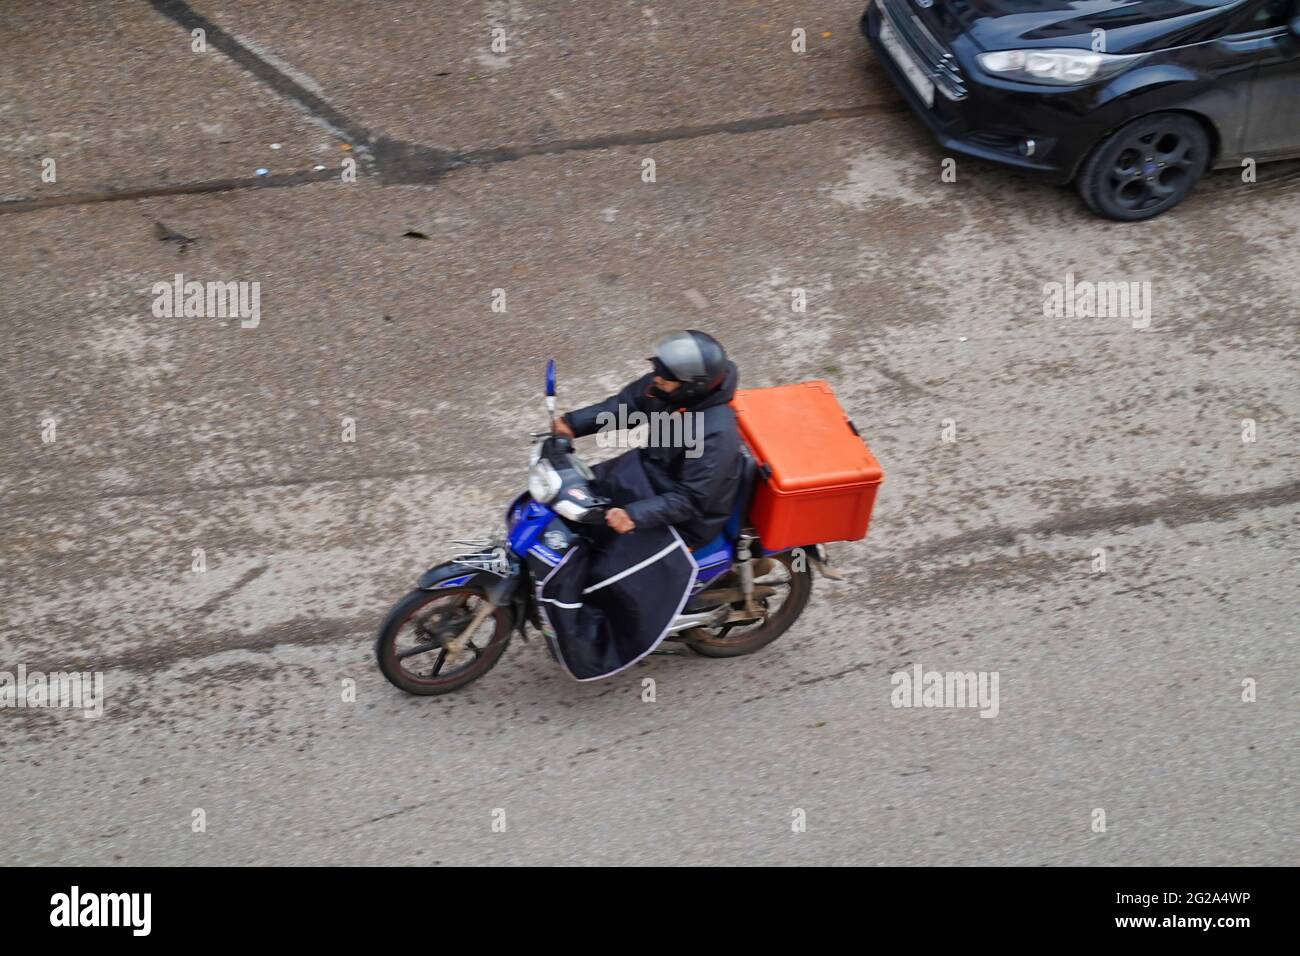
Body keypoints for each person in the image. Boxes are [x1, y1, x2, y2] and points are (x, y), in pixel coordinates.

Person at [553, 330, 743, 549]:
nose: (656, 378)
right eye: (658, 370)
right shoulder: (668, 388)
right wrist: (573, 424)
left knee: (603, 566)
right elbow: (626, 405)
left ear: (693, 387)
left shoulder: (715, 434)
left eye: (665, 376)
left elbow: (689, 500)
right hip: (646, 475)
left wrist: (634, 516)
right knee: (570, 494)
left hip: (682, 521)